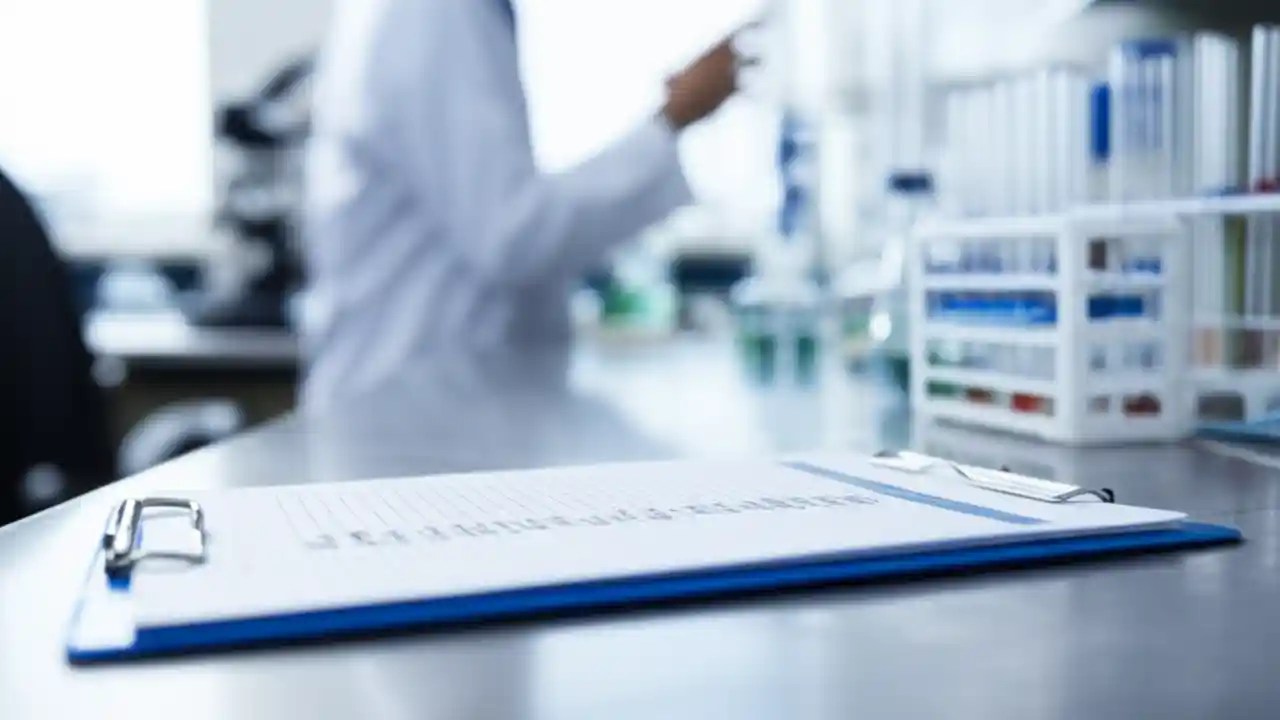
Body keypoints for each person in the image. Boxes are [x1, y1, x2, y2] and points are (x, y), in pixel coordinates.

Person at [301, 0, 739, 413]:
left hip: (438, 396)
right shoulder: (431, 14)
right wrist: (672, 119)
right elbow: (509, 234)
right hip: (410, 401)